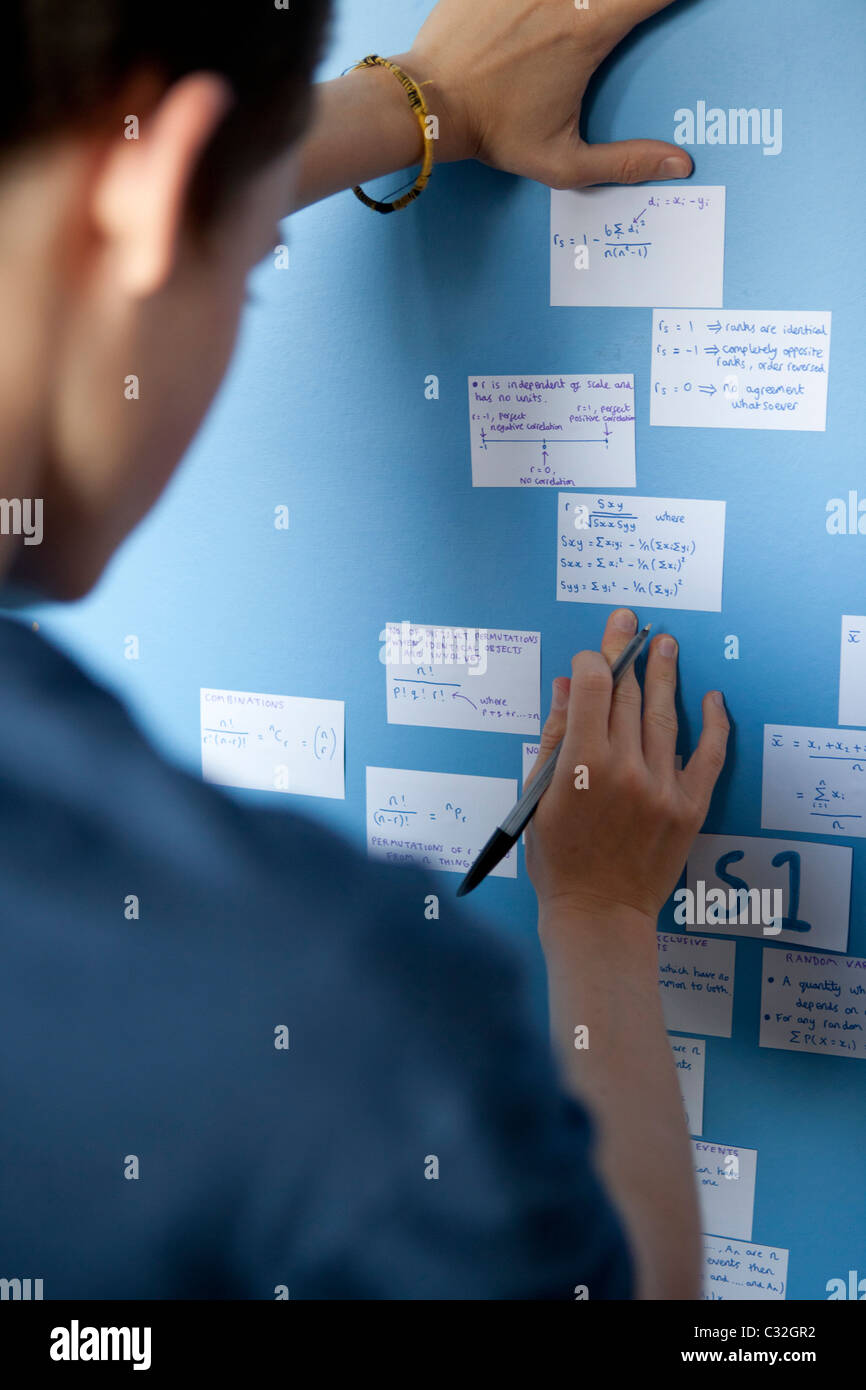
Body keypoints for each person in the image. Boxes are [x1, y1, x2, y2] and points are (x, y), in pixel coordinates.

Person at [0, 0, 728, 1300]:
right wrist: (600, 911)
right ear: (151, 189)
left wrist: (420, 102)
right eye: (257, 259)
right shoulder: (332, 1020)